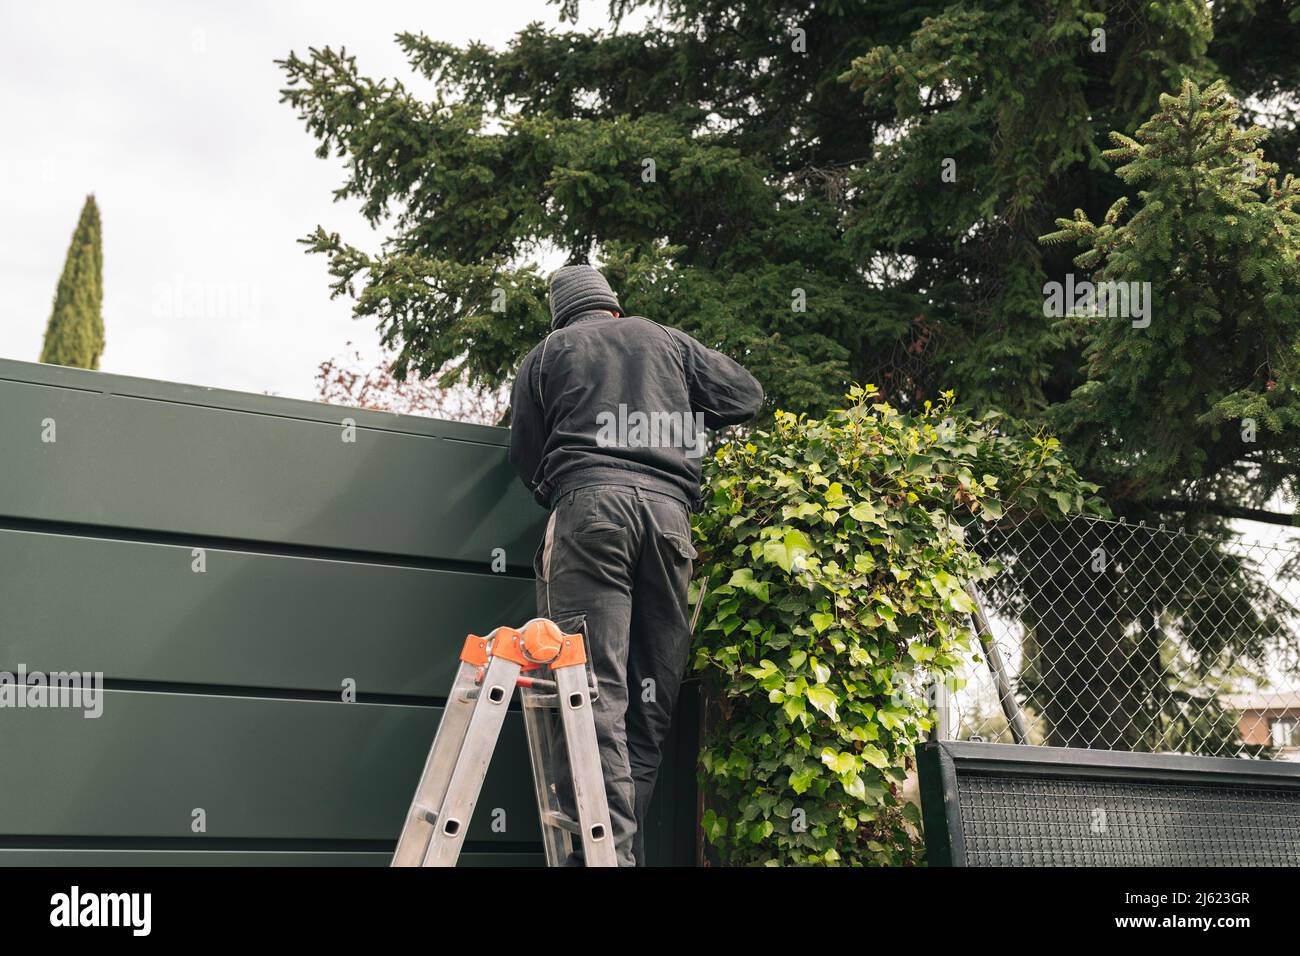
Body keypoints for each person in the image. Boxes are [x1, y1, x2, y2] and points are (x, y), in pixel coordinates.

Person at [508, 263, 764, 866]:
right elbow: (746, 395)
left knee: (593, 696)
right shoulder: (667, 341)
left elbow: (523, 454)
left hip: (591, 514)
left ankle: (606, 859)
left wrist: (570, 487)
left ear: (561, 313)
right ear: (612, 305)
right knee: (649, 704)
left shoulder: (546, 355)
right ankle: (615, 856)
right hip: (670, 522)